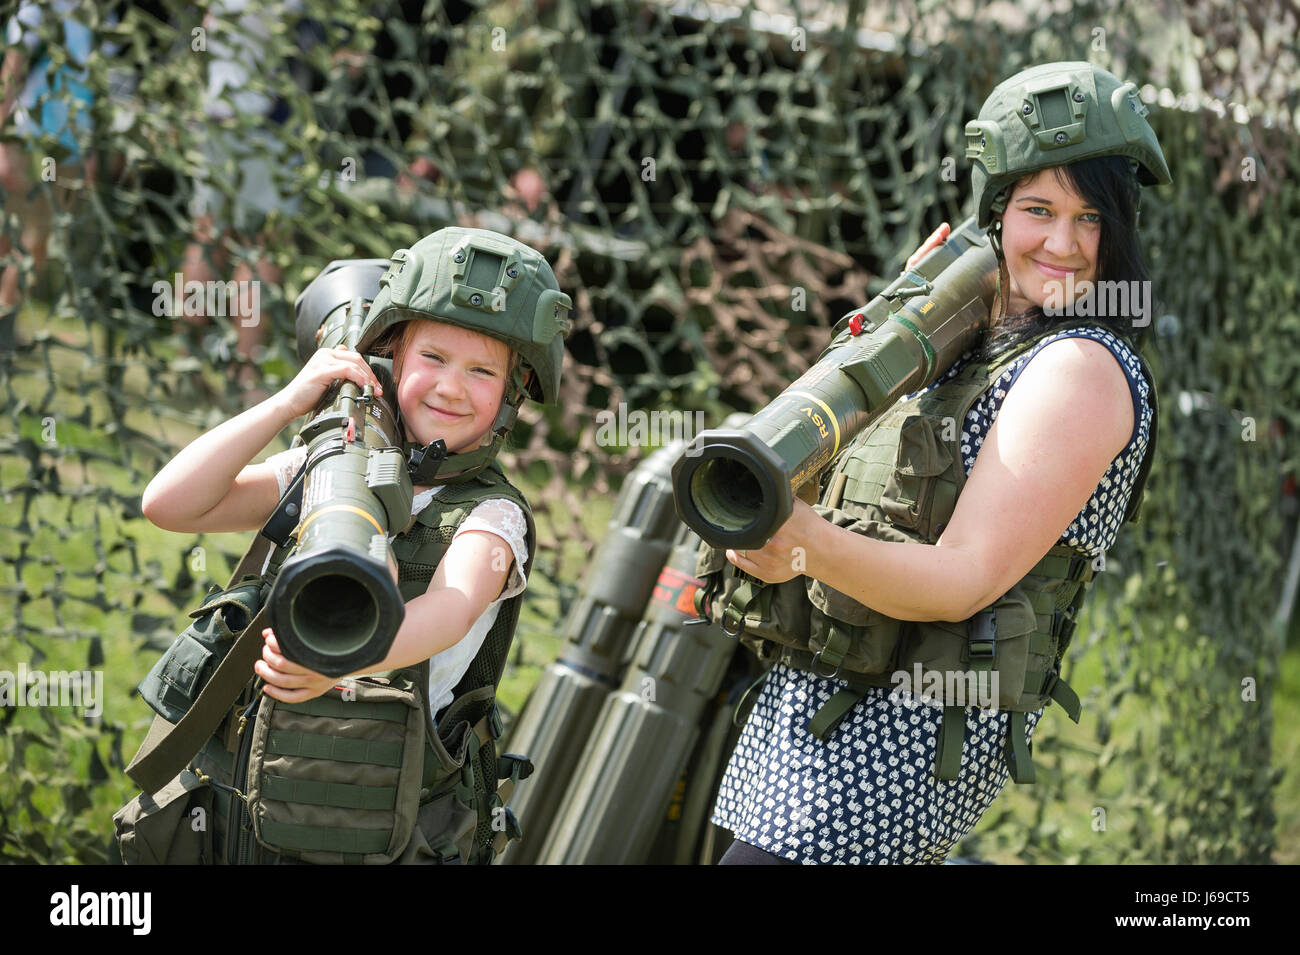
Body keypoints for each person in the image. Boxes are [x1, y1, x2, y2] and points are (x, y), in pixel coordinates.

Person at [698, 61, 1170, 864]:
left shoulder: (1079, 367)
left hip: (894, 745)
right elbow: (830, 452)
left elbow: (965, 578)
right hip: (817, 717)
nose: (1063, 243)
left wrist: (804, 544)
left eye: (1091, 217)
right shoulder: (974, 337)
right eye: (1037, 209)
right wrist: (894, 320)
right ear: (995, 212)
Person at [136, 227, 572, 864]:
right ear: (393, 354)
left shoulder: (492, 514)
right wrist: (288, 404)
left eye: (481, 371)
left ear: (514, 391)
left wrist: (336, 659)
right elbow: (169, 503)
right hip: (249, 812)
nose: (451, 387)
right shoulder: (332, 466)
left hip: (382, 828)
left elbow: (449, 612)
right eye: (435, 358)